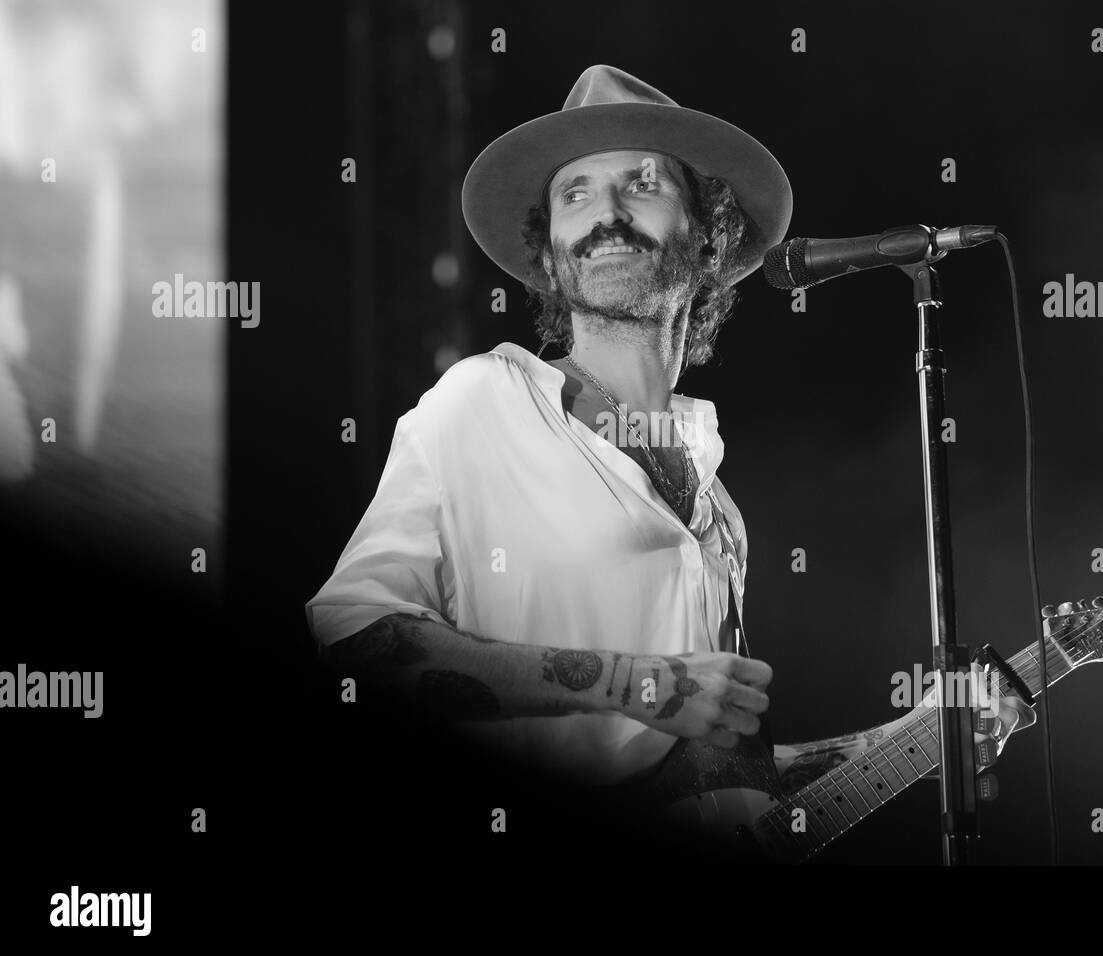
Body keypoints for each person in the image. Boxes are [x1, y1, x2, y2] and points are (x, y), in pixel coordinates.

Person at [305, 64, 1034, 808]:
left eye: (642, 183)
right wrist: (637, 684)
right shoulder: (482, 403)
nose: (604, 214)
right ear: (551, 253)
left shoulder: (716, 505)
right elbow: (356, 643)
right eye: (574, 193)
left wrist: (911, 742)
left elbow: (720, 784)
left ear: (709, 236)